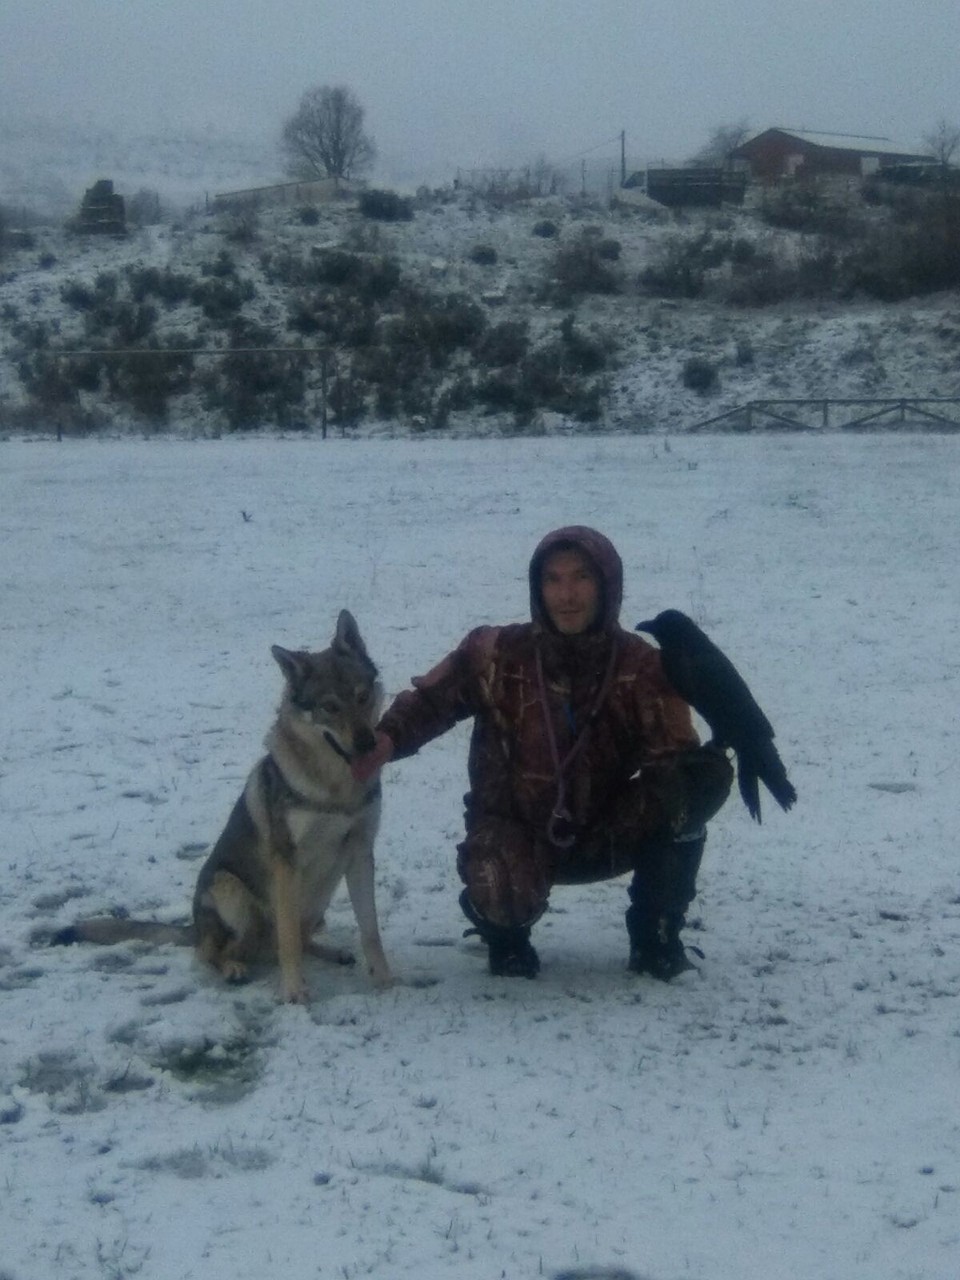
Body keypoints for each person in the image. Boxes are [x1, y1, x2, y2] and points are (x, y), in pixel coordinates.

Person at [353, 526, 733, 980]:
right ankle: (506, 937)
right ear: (537, 587)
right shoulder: (495, 653)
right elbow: (432, 702)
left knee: (691, 788)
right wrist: (386, 740)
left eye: (581, 578)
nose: (566, 595)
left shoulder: (642, 666)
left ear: (607, 585)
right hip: (515, 830)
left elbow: (671, 755)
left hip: (604, 830)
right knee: (499, 883)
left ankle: (657, 934)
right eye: (552, 580)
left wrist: (696, 779)